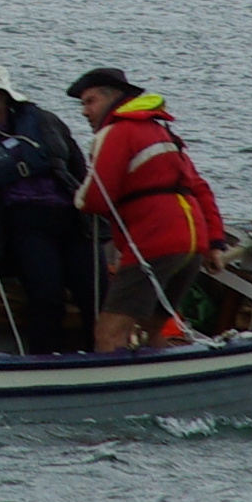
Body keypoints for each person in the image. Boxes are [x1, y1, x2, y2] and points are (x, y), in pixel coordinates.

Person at [69, 68, 232, 350]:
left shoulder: (117, 132)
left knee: (109, 332)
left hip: (154, 243)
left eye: (90, 101)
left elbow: (96, 197)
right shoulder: (162, 133)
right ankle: (174, 386)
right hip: (192, 245)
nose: (85, 111)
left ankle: (114, 393)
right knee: (153, 332)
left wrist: (74, 201)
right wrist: (215, 243)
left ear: (113, 98)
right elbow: (200, 189)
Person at [0, 63, 96, 356]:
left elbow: (78, 169)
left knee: (94, 295)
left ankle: (103, 360)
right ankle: (43, 362)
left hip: (71, 219)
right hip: (26, 223)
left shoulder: (45, 122)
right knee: (46, 296)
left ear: (4, 96)